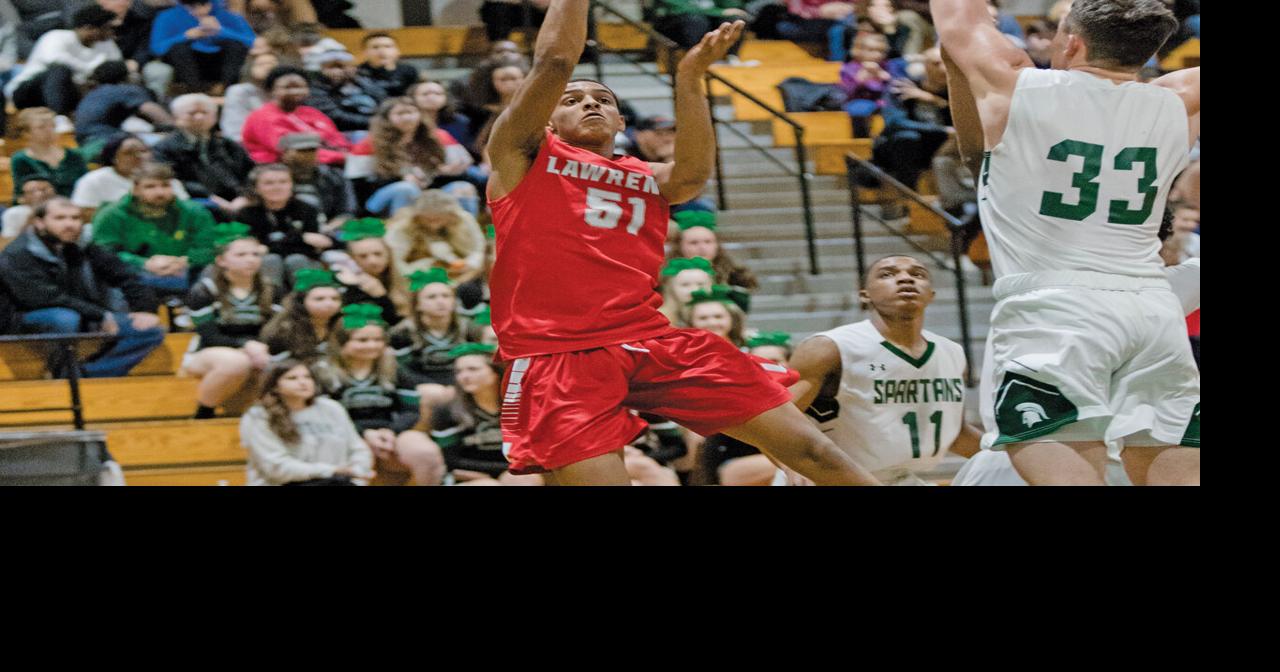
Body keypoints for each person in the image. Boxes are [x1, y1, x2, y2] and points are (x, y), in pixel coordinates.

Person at [484, 1, 875, 485]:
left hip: (651, 339)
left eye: (604, 99)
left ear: (623, 123)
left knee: (814, 450)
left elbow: (692, 174)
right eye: (573, 100)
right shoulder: (521, 156)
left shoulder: (646, 175)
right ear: (546, 120)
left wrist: (689, 78)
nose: (590, 103)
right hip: (558, 353)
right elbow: (556, 63)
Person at [934, 0, 1199, 485]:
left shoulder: (1019, 84)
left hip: (1057, 311)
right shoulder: (1180, 97)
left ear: (1073, 43)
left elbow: (958, 18)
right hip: (1153, 312)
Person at [784, 254, 980, 486]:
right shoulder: (828, 347)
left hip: (902, 479)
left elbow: (956, 434)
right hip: (829, 477)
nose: (906, 279)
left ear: (931, 294)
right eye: (887, 274)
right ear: (864, 294)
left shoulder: (951, 352)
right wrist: (790, 467)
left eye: (917, 274)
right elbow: (773, 416)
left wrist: (1006, 455)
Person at [0, 197, 165, 377]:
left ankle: (88, 374)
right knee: (64, 318)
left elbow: (125, 275)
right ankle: (63, 373)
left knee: (149, 330)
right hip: (25, 318)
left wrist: (146, 310)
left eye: (75, 218)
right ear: (39, 223)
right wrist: (101, 315)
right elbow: (44, 298)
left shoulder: (84, 246)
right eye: (60, 218)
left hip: (84, 313)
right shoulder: (18, 254)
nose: (69, 224)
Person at [316, 303, 445, 486]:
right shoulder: (324, 372)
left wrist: (391, 431)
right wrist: (363, 433)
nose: (372, 345)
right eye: (362, 340)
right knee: (354, 458)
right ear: (341, 343)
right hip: (344, 433)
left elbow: (411, 411)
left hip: (392, 431)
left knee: (426, 453)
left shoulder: (393, 368)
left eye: (378, 340)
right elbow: (324, 417)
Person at [183, 223, 280, 418]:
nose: (250, 260)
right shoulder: (205, 290)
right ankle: (204, 413)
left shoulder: (272, 289)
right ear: (221, 260)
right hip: (208, 352)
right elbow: (209, 335)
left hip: (258, 351)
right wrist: (246, 346)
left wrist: (260, 348)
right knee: (236, 362)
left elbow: (279, 330)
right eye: (241, 255)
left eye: (255, 255)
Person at [423, 343, 544, 485]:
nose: (464, 376)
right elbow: (450, 461)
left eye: (473, 369)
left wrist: (507, 473)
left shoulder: (521, 407)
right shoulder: (446, 411)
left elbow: (533, 454)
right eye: (459, 372)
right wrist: (498, 474)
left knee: (527, 479)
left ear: (495, 373)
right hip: (464, 480)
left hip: (512, 475)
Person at [240, 358, 374, 486]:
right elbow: (276, 467)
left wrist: (358, 474)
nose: (303, 382)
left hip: (338, 482)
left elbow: (358, 449)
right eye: (292, 378)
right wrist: (330, 471)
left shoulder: (331, 408)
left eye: (307, 377)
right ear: (274, 387)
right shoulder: (258, 416)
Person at [91, 162, 217, 296]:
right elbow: (104, 253)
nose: (160, 192)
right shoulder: (112, 215)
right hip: (133, 274)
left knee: (213, 274)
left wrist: (183, 262)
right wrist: (144, 263)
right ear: (135, 189)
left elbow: (206, 248)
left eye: (165, 185)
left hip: (188, 270)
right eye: (150, 186)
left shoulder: (195, 212)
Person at [347, 97, 480, 217]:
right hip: (382, 197)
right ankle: (400, 238)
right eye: (400, 113)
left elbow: (462, 169)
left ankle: (465, 237)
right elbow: (358, 184)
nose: (407, 117)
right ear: (386, 118)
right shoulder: (369, 143)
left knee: (462, 187)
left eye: (411, 112)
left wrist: (447, 173)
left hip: (430, 192)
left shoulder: (438, 137)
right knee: (406, 188)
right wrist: (399, 178)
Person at [4, 4, 120, 117]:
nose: (111, 33)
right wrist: (91, 69)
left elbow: (118, 67)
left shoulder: (106, 44)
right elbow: (53, 59)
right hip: (29, 92)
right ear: (88, 28)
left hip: (70, 93)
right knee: (60, 70)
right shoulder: (56, 36)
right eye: (106, 28)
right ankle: (59, 116)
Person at [151, 93, 256, 215]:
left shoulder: (228, 145)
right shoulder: (164, 148)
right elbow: (170, 180)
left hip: (238, 198)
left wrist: (246, 196)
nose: (199, 117)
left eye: (205, 112)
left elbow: (250, 172)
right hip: (196, 199)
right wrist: (211, 197)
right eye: (192, 113)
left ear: (215, 117)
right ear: (176, 118)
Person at [233, 163, 330, 288]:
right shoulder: (246, 214)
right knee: (271, 260)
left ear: (292, 185)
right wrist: (301, 238)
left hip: (302, 262)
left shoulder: (307, 209)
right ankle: (271, 302)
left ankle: (304, 301)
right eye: (269, 183)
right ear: (256, 188)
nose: (277, 187)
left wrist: (270, 244)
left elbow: (315, 247)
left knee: (295, 260)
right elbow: (249, 249)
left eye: (283, 182)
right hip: (264, 264)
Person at [241, 65, 351, 165]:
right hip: (279, 169)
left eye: (300, 87)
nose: (295, 91)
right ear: (272, 91)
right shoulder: (262, 116)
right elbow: (293, 152)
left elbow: (338, 140)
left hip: (330, 163)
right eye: (288, 87)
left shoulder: (312, 112)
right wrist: (344, 157)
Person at [71, 134, 191, 224]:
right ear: (113, 158)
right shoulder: (94, 180)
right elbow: (84, 214)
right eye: (129, 153)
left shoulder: (166, 178)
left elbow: (187, 209)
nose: (139, 157)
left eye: (143, 151)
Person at [388, 268, 470, 388]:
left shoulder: (468, 327)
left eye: (446, 296)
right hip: (421, 388)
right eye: (431, 297)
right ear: (417, 304)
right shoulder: (402, 332)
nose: (440, 301)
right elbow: (401, 371)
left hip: (461, 384)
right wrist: (431, 387)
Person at [150, 0, 254, 94]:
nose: (199, 10)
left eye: (203, 4)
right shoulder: (167, 16)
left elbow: (253, 42)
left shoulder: (227, 15)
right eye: (192, 6)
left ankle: (225, 88)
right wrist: (185, 36)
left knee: (235, 45)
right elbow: (157, 49)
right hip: (185, 66)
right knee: (178, 49)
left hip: (219, 65)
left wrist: (221, 30)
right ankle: (195, 90)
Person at [384, 189, 486, 283]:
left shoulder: (464, 219)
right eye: (428, 219)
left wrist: (471, 263)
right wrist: (420, 270)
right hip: (416, 275)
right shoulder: (402, 227)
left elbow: (479, 248)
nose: (433, 224)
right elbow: (396, 262)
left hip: (461, 271)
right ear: (417, 216)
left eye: (437, 219)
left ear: (450, 215)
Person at [72, 60, 173, 153]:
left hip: (84, 144)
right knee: (168, 141)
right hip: (104, 142)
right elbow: (150, 109)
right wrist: (176, 127)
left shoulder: (93, 93)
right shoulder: (124, 90)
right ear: (125, 76)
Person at [333, 217, 409, 326]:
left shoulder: (404, 281)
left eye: (378, 254)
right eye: (363, 256)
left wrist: (381, 295)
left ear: (388, 254)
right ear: (352, 258)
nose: (372, 261)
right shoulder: (345, 284)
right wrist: (380, 297)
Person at [259, 268, 343, 362]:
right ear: (301, 302)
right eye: (319, 299)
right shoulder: (284, 328)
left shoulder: (343, 325)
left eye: (335, 299)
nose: (329, 304)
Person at [8, 108, 90, 203]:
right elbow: (20, 194)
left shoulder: (74, 155)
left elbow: (87, 185)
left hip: (75, 205)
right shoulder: (20, 159)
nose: (49, 131)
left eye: (52, 126)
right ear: (26, 133)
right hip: (41, 208)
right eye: (41, 127)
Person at [303, 43, 385, 134]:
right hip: (346, 131)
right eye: (334, 67)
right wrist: (375, 122)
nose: (340, 70)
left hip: (377, 126)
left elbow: (384, 102)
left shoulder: (365, 82)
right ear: (322, 69)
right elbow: (335, 117)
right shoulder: (316, 88)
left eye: (346, 65)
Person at [279, 132, 356, 226]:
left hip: (328, 227)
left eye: (312, 150)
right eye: (301, 151)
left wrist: (328, 228)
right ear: (285, 153)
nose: (307, 155)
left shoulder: (334, 176)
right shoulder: (272, 178)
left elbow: (347, 211)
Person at [669, 209, 758, 291]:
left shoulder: (736, 274)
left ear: (717, 245)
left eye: (708, 242)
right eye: (694, 242)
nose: (702, 247)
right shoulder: (667, 275)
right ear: (679, 246)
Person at [220, 50, 278, 143]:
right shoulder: (239, 91)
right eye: (261, 64)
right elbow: (234, 131)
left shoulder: (283, 92)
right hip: (246, 146)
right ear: (250, 68)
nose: (268, 67)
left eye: (272, 64)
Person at [357, 31, 418, 98]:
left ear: (397, 51)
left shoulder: (409, 72)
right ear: (365, 52)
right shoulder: (358, 73)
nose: (382, 51)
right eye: (375, 47)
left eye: (387, 46)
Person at [658, 256, 714, 326]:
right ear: (670, 288)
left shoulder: (720, 314)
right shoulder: (660, 318)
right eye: (685, 285)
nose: (694, 290)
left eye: (700, 284)